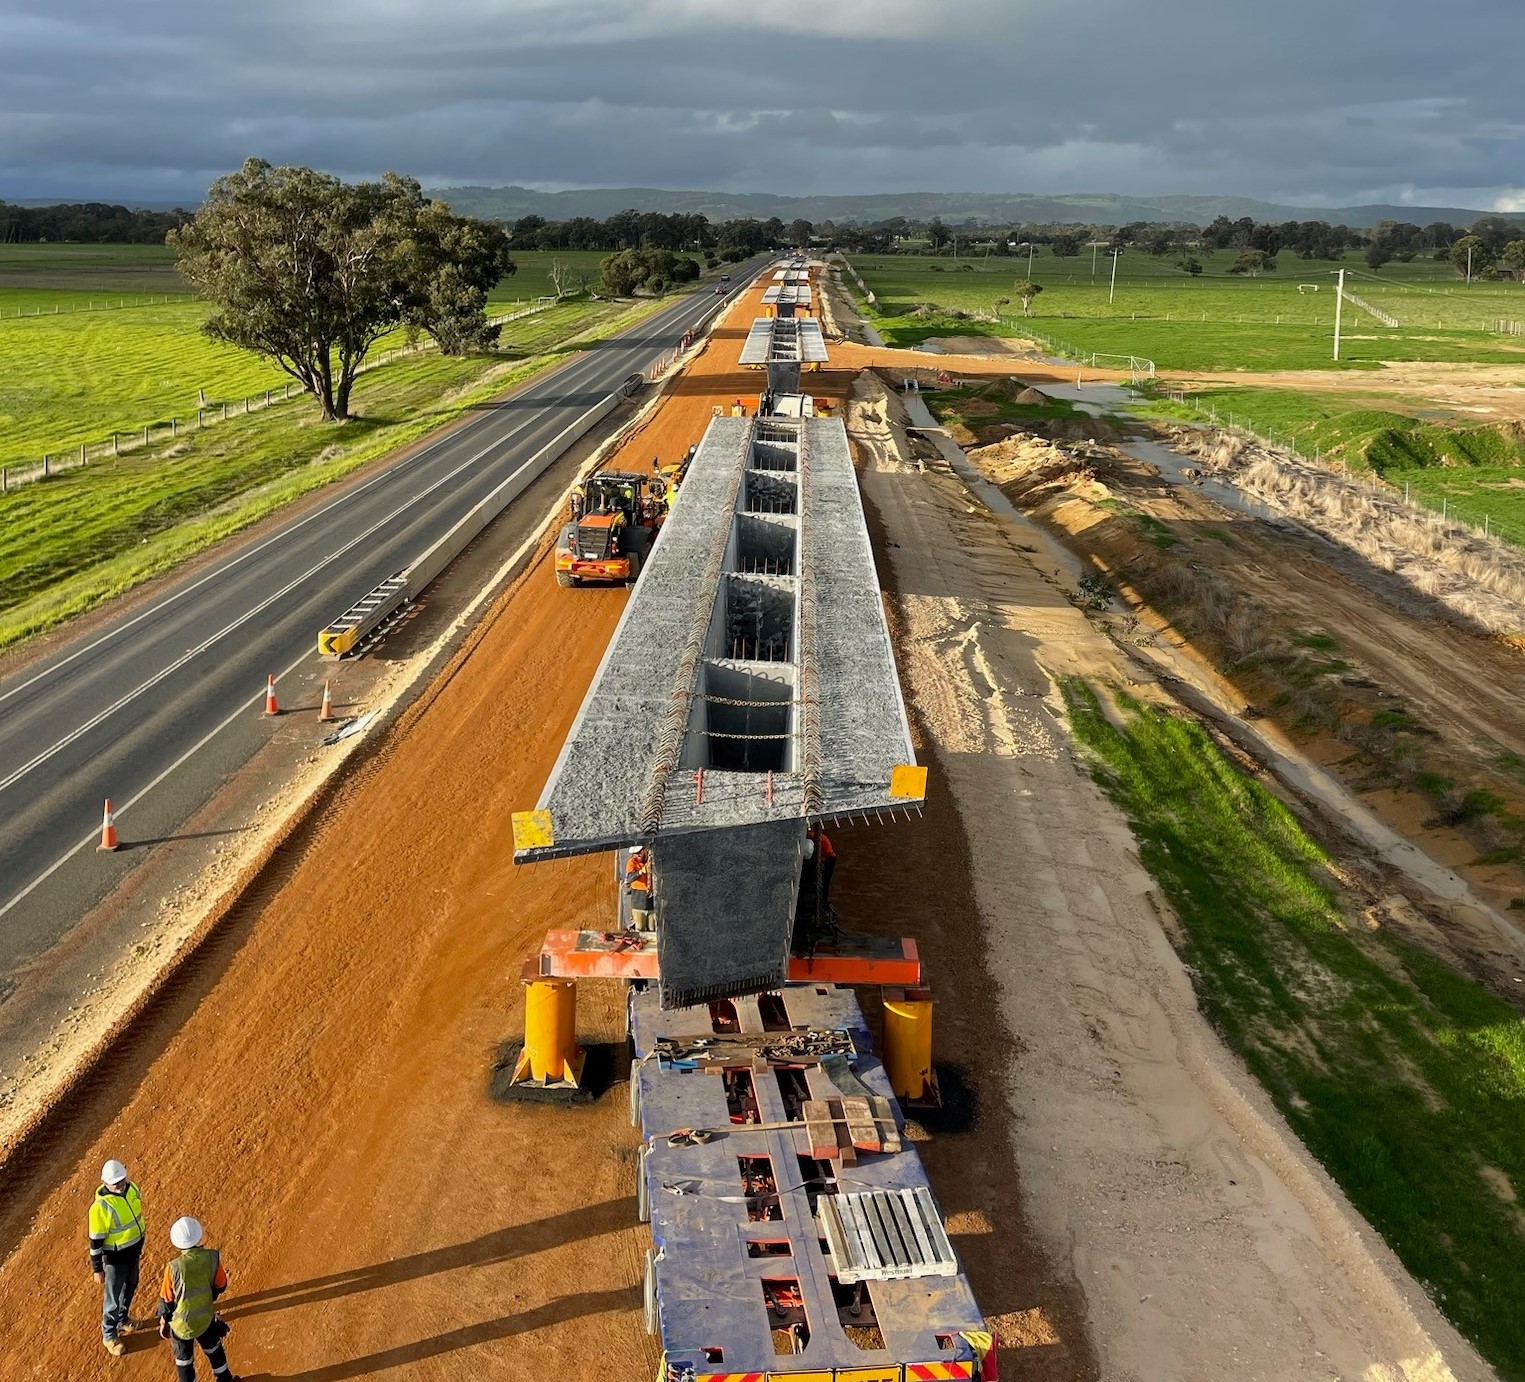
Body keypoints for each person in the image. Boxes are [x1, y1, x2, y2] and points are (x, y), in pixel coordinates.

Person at [159, 1217, 239, 1382]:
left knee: (184, 1362)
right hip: (205, 1320)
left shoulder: (173, 1267)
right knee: (214, 1350)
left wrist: (163, 1321)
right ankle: (225, 1379)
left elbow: (166, 1300)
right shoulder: (211, 1258)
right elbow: (221, 1285)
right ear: (198, 1236)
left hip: (181, 1326)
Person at [90, 1159, 146, 1356]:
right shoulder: (100, 1208)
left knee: (131, 1285)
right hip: (115, 1260)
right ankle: (109, 1335)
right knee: (112, 1299)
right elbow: (95, 1241)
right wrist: (97, 1269)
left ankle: (123, 1319)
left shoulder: (132, 1189)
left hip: (133, 1253)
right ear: (105, 1183)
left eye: (122, 1180)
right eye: (115, 1183)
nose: (120, 1185)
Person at [807, 826, 836, 905]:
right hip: (826, 856)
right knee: (824, 881)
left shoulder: (812, 838)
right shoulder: (812, 836)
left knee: (825, 881)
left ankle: (823, 900)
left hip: (829, 858)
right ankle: (822, 900)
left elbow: (820, 854)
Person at [625, 846, 652, 930]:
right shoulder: (632, 862)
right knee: (640, 928)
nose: (637, 855)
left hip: (652, 903)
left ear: (645, 850)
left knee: (653, 928)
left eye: (639, 853)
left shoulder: (652, 861)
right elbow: (629, 878)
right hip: (638, 903)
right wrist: (641, 872)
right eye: (635, 853)